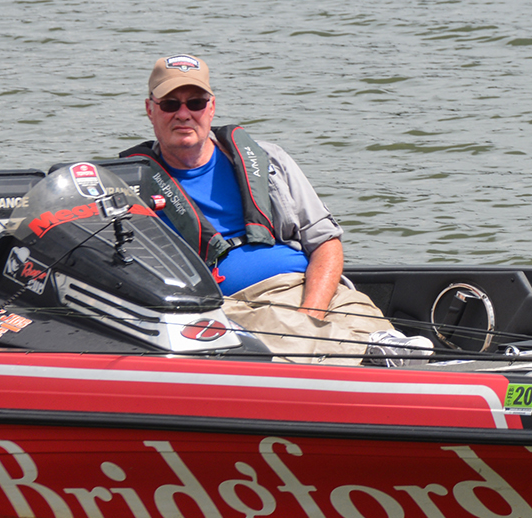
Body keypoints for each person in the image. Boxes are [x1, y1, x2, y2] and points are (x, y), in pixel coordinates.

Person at [120, 54, 390, 361]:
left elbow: (326, 243)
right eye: (170, 104)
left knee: (381, 331)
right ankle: (371, 356)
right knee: (339, 351)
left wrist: (310, 314)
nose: (183, 114)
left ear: (211, 107)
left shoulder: (267, 159)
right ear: (150, 110)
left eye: (195, 103)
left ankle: (383, 352)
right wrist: (303, 327)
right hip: (235, 307)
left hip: (313, 292)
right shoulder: (129, 185)